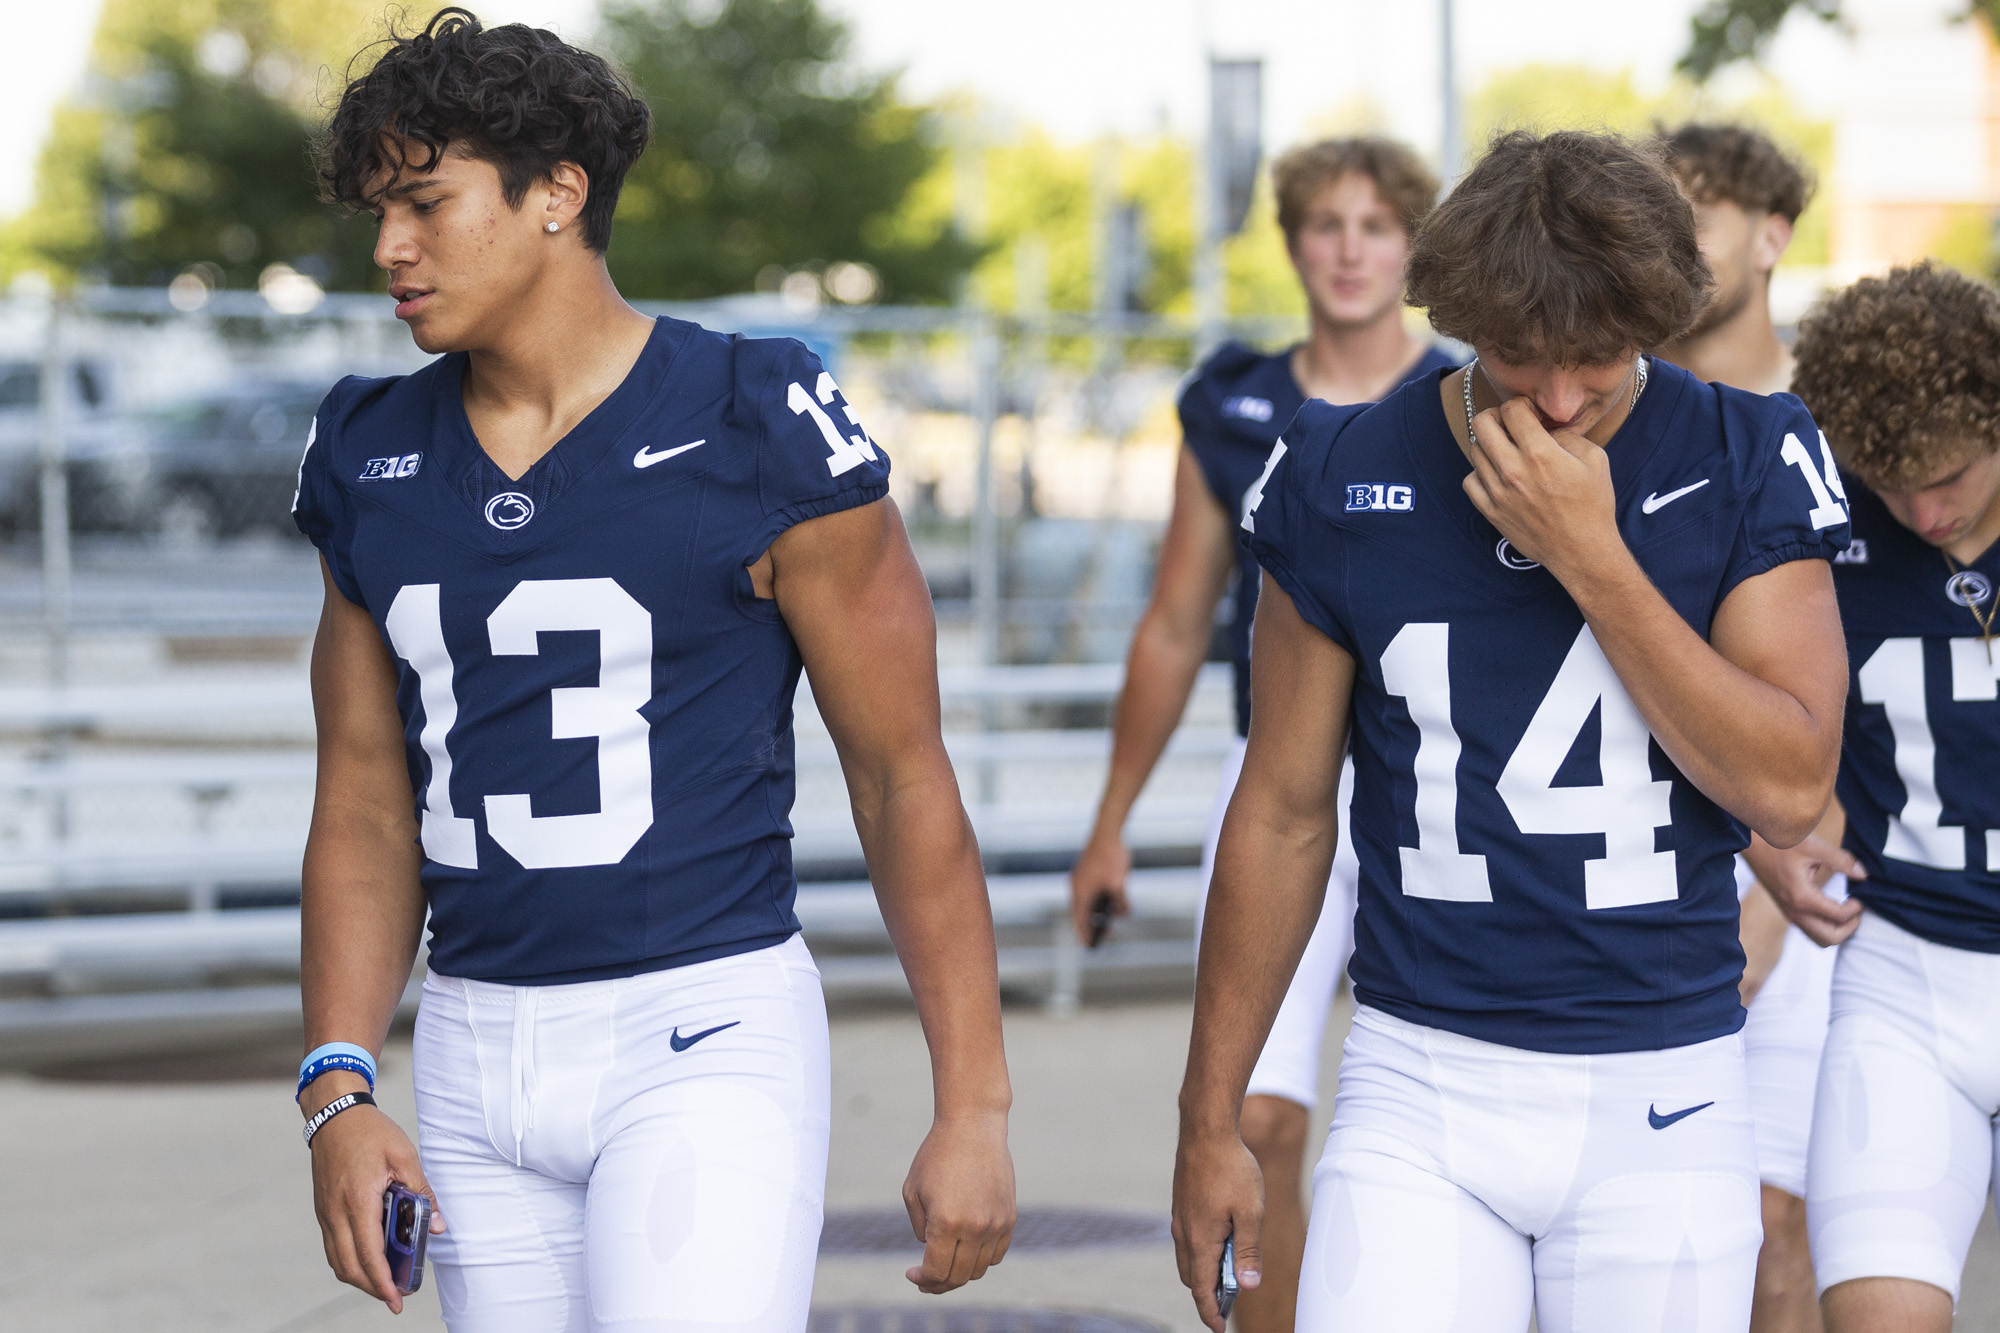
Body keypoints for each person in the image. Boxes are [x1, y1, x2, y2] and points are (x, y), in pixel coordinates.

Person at [290, 13, 1015, 1329]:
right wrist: (340, 1086)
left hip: (699, 1028)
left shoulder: (755, 416)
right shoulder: (367, 448)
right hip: (468, 1047)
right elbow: (361, 798)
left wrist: (972, 1106)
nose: (389, 246)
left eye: (425, 202)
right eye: (380, 209)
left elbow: (903, 776)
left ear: (558, 192)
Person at [1172, 130, 1852, 1333]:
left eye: (1595, 360)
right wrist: (1207, 1116)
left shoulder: (1743, 452)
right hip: (1417, 1077)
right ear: (1460, 312)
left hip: (1667, 1092)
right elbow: (1280, 813)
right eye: (1517, 356)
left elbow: (1789, 785)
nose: (1553, 399)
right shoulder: (1341, 469)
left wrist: (1593, 559)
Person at [1069, 134, 1457, 1333]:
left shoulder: (1469, 392)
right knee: (1259, 1113)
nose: (1349, 249)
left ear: (1411, 245)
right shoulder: (1235, 403)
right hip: (1279, 779)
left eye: (1376, 225)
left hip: (1435, 777)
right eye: (1325, 225)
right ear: (1291, 242)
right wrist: (1109, 826)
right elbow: (1177, 622)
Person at [1773, 262, 2000, 1333]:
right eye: (1889, 478)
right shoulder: (1825, 522)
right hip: (1905, 969)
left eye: (1949, 473)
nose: (1920, 507)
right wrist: (1766, 833)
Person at [1656, 121, 1847, 1333]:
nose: (1673, 244)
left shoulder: (1841, 420)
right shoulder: (1613, 406)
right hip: (1632, 857)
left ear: (1771, 234)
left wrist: (1778, 884)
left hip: (1805, 852)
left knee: (1776, 1222)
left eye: (1702, 215)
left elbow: (1851, 682)